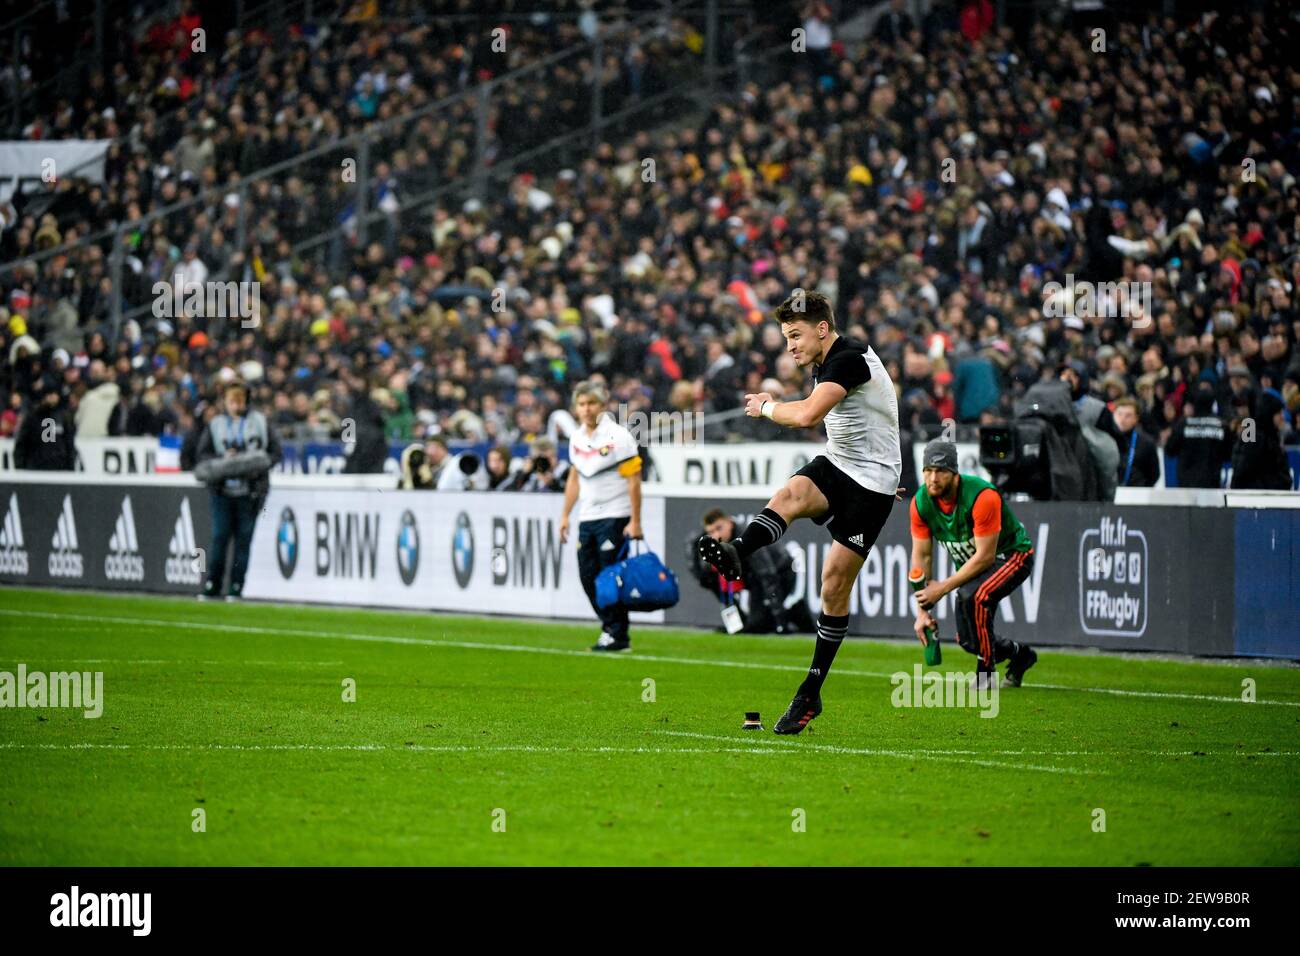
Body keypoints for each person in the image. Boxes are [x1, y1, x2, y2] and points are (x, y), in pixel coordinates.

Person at [697, 291, 902, 734]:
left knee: (832, 587)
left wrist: (766, 406)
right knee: (790, 493)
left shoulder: (847, 358)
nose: (789, 345)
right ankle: (735, 553)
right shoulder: (824, 363)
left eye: (795, 335)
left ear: (822, 329)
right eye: (786, 336)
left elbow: (808, 415)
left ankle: (810, 691)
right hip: (841, 463)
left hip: (871, 485)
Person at [910, 439, 1039, 688]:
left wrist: (943, 587)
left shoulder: (982, 496)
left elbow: (985, 557)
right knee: (968, 639)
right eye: (928, 471)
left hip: (1012, 555)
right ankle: (1020, 655)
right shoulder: (921, 503)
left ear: (955, 473)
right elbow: (922, 557)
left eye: (940, 471)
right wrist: (922, 612)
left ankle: (986, 673)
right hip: (978, 564)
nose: (932, 478)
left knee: (976, 596)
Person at [559, 380, 644, 653]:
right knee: (588, 577)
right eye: (581, 404)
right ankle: (610, 628)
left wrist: (635, 520)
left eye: (591, 403)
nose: (586, 409)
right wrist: (565, 515)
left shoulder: (618, 436)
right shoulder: (576, 437)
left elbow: (634, 480)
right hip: (587, 516)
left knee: (609, 577)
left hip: (614, 515)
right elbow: (574, 477)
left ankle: (617, 634)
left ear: (602, 404)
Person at [195, 379, 280, 599]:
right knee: (219, 538)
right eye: (232, 400)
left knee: (244, 540)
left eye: (240, 400)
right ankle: (212, 584)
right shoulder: (215, 425)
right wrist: (224, 461)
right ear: (225, 402)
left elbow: (275, 453)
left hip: (249, 492)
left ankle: (236, 586)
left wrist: (254, 465)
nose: (236, 405)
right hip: (222, 492)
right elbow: (201, 456)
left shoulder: (260, 422)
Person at [688, 507, 814, 635]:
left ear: (729, 523)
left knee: (757, 625)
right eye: (711, 531)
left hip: (780, 572)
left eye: (719, 528)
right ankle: (739, 624)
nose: (716, 535)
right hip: (754, 577)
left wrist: (780, 622)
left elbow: (768, 575)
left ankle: (794, 613)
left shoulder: (746, 538)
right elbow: (707, 579)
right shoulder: (707, 543)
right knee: (713, 579)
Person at [1164, 383, 1232, 488]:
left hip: (1186, 484)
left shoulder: (1184, 424)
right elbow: (1228, 455)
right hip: (1211, 483)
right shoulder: (1222, 425)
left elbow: (1170, 450)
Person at [1230, 390, 1293, 490]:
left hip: (1271, 497)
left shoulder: (1273, 436)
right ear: (1270, 414)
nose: (1283, 417)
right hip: (1255, 498)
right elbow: (1242, 469)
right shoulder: (1253, 436)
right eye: (1279, 413)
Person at [14, 382, 77, 470]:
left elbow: (69, 445)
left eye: (54, 394)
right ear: (43, 396)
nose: (52, 397)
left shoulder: (64, 417)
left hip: (59, 470)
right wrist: (20, 469)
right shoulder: (32, 417)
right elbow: (21, 444)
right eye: (49, 394)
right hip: (35, 469)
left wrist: (70, 468)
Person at [1112, 397, 1161, 487]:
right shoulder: (1105, 439)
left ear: (1136, 419)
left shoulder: (1146, 442)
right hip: (1109, 494)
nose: (1122, 419)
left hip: (1136, 494)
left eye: (1128, 415)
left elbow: (1154, 474)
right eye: (1119, 414)